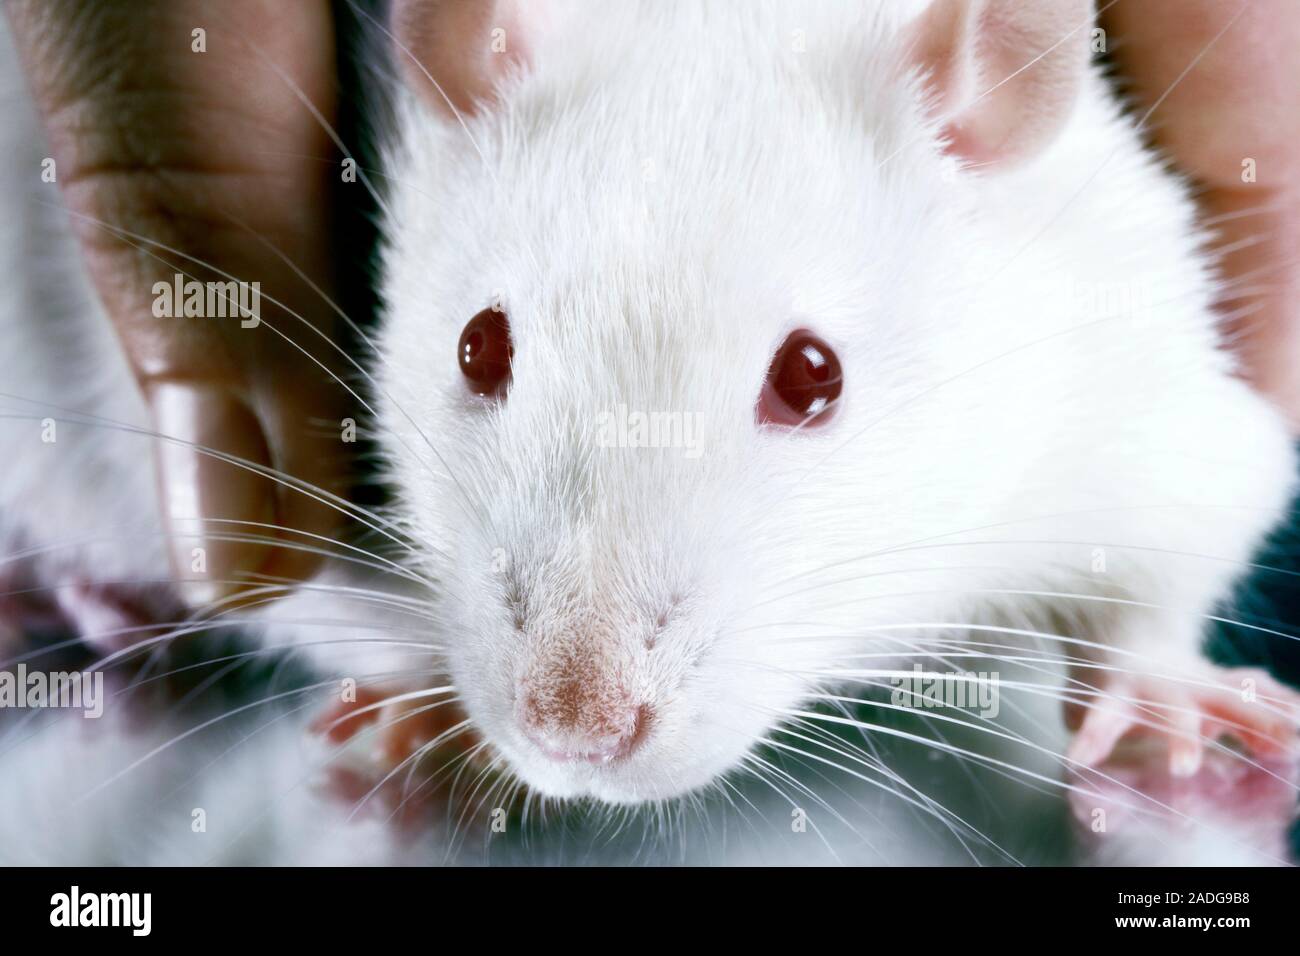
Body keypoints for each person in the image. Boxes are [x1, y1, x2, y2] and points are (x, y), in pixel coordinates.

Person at [8, 0, 1298, 604]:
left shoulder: (1054, 274)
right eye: (485, 351)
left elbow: (1196, 469)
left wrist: (1144, 656)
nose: (586, 701)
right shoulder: (423, 145)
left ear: (1000, 88)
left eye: (805, 381)